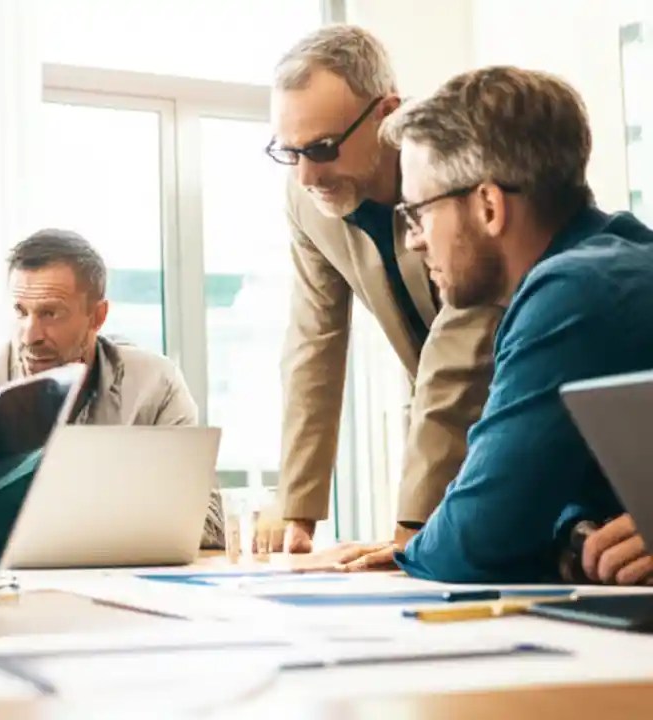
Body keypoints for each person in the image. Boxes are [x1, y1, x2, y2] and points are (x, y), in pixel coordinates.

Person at [330, 66, 653, 582]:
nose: (413, 240)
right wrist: (572, 531)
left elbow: (473, 538)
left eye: (417, 213)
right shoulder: (618, 260)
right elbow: (562, 499)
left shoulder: (571, 294)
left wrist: (420, 550)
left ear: (487, 205)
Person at [267, 25, 501, 552]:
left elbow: (462, 346)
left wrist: (409, 532)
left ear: (386, 113)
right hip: (437, 407)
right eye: (290, 151)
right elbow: (313, 343)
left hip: (517, 398)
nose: (306, 175)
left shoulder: (458, 161)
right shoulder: (306, 194)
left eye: (323, 148)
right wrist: (297, 515)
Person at [0, 229, 225, 549]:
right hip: (3, 592)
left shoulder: (155, 385)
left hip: (120, 588)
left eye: (50, 313)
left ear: (97, 316)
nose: (29, 335)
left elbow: (208, 520)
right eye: (20, 312)